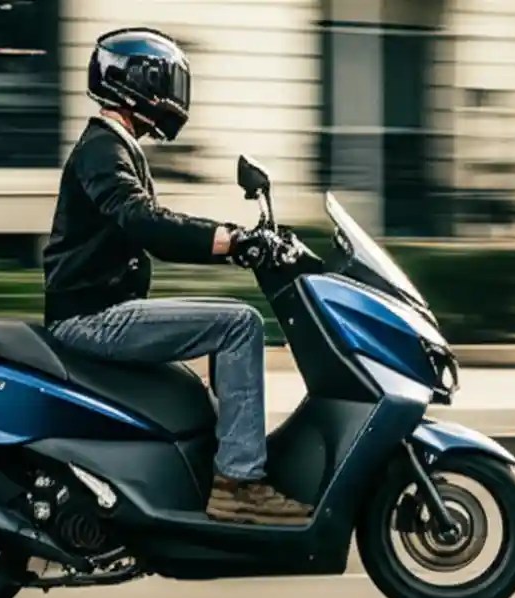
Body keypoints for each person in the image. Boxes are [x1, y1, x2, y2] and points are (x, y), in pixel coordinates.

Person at [42, 27, 313, 526]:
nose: (173, 97)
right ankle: (239, 483)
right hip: (93, 318)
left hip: (99, 311)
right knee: (239, 325)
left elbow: (151, 225)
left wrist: (234, 246)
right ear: (136, 82)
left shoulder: (112, 146)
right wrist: (233, 240)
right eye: (165, 82)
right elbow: (145, 222)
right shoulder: (103, 148)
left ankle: (214, 467)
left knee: (207, 349)